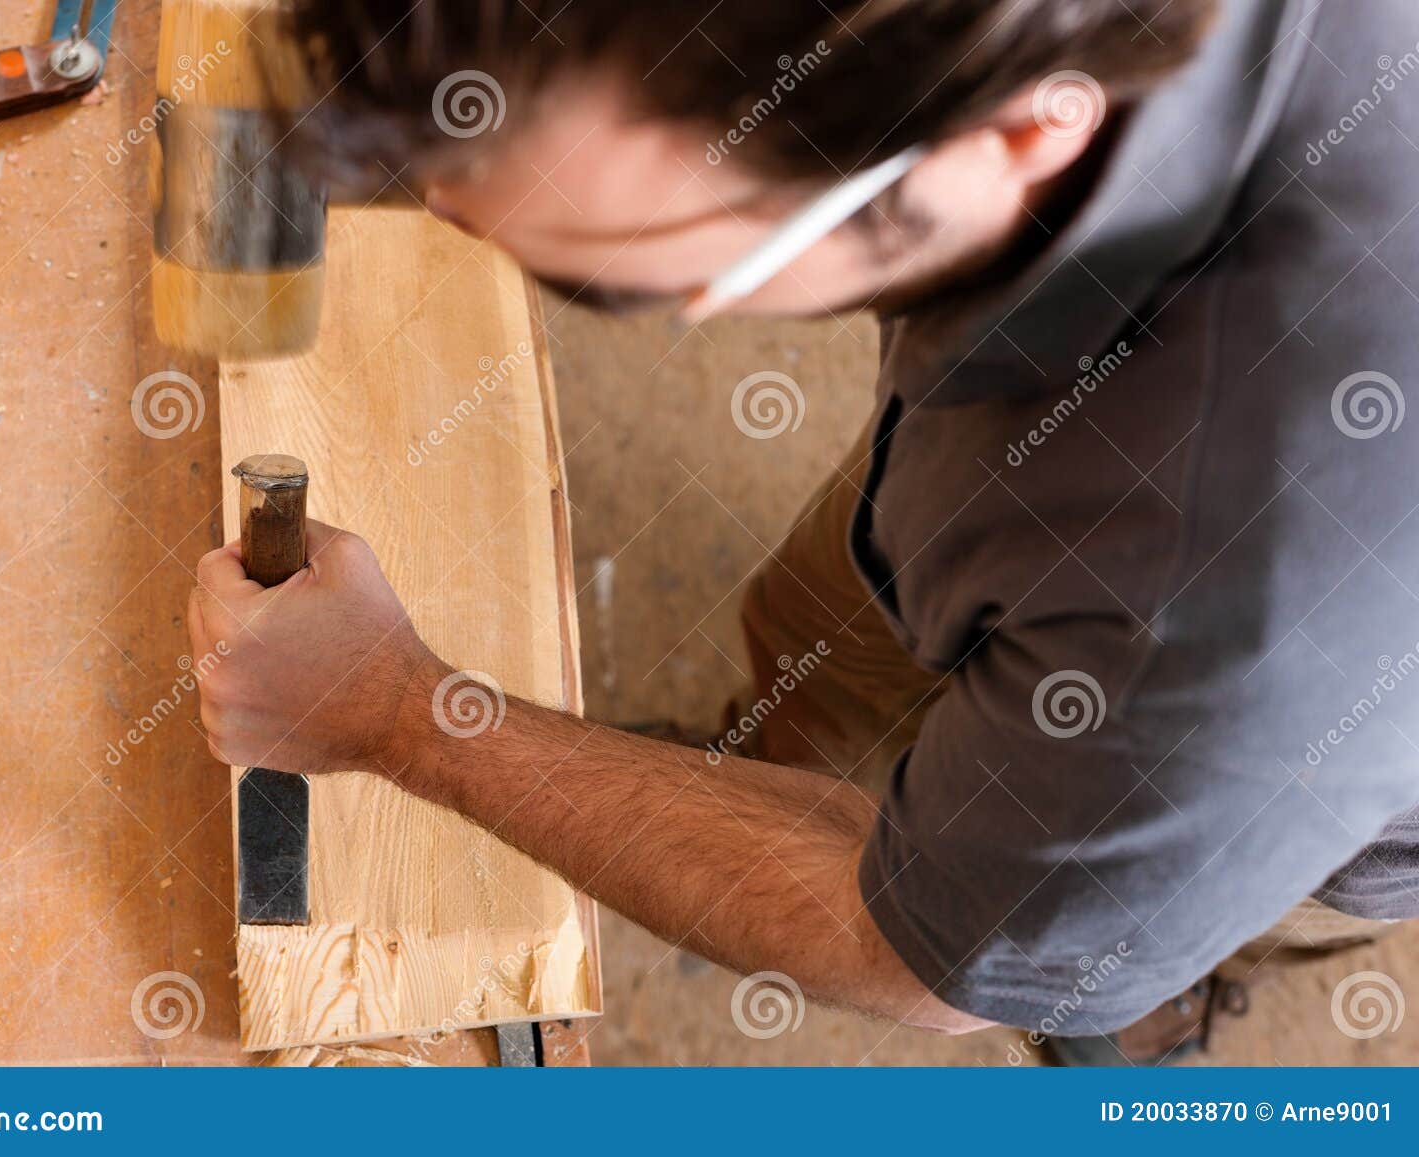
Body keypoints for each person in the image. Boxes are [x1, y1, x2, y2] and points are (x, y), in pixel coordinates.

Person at [187, 0, 1419, 1064]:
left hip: (1318, 739)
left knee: (1098, 929)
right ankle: (770, 762)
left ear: (1008, 139)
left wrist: (400, 714)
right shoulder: (983, 130)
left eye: (610, 281)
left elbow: (914, 954)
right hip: (1011, 457)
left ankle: (1160, 975)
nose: (444, 213)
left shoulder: (1236, 581)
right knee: (820, 633)